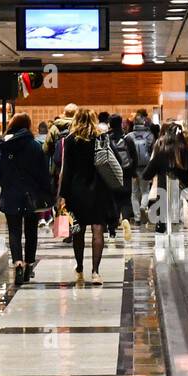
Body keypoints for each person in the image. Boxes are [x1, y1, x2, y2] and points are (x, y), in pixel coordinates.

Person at [57, 109, 118, 284]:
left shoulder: (69, 140)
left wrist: (62, 195)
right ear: (93, 120)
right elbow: (113, 163)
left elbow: (66, 170)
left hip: (77, 190)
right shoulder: (102, 138)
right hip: (99, 189)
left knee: (78, 231)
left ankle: (79, 267)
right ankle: (96, 272)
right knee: (98, 230)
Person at [0, 113, 51, 285]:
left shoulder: (4, 144)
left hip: (11, 194)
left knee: (14, 230)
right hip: (31, 195)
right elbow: (43, 173)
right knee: (31, 231)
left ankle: (17, 262)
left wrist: (6, 184)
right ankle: (29, 264)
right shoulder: (35, 146)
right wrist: (45, 192)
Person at [141, 122, 188, 232]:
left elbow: (147, 174)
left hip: (163, 193)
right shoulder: (186, 151)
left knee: (162, 225)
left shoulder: (161, 151)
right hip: (182, 193)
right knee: (178, 227)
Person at [106, 113, 136, 243]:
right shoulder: (127, 138)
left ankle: (112, 231)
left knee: (112, 201)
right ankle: (125, 220)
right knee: (125, 200)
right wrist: (133, 172)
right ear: (121, 123)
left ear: (110, 124)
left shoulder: (106, 138)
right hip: (126, 173)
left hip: (111, 174)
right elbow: (134, 157)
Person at [124, 110, 158, 224]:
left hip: (133, 168)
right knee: (145, 191)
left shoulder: (128, 136)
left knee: (134, 193)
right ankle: (144, 206)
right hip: (146, 167)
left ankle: (137, 218)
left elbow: (126, 154)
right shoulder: (150, 136)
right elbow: (153, 152)